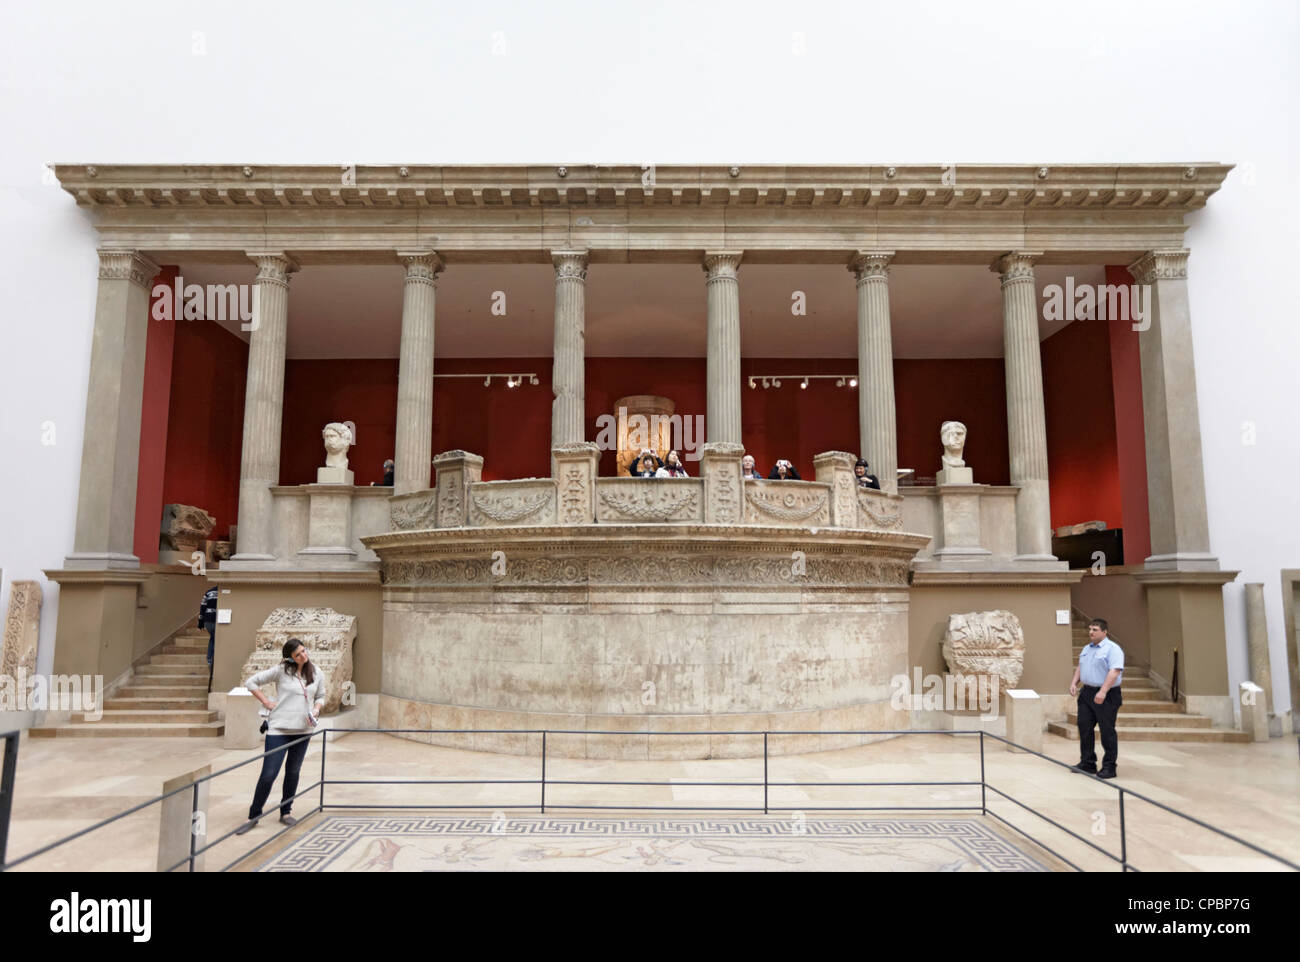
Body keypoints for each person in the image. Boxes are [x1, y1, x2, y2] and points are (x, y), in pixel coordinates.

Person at [234, 639, 326, 833]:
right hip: (279, 729)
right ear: (290, 658)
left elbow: (321, 696)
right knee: (269, 774)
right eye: (298, 654)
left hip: (303, 729)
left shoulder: (316, 672)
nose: (303, 656)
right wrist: (266, 702)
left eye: (304, 651)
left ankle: (286, 812)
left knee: (293, 772)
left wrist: (316, 709)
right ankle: (253, 815)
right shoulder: (281, 671)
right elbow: (251, 682)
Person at [1069, 618, 1124, 779]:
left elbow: (1114, 671)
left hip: (1106, 694)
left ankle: (1109, 766)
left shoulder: (1113, 649)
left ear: (1104, 632)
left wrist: (1103, 691)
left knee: (1107, 731)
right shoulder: (1087, 648)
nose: (1091, 632)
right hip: (1086, 693)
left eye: (1095, 630)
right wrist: (1074, 683)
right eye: (1090, 629)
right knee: (1084, 727)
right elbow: (1081, 666)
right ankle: (1087, 762)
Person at [198, 585, 218, 669]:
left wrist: (200, 623)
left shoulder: (208, 592)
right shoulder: (222, 592)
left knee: (213, 638)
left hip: (208, 620)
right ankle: (212, 660)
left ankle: (210, 659)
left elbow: (202, 606)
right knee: (215, 639)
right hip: (216, 619)